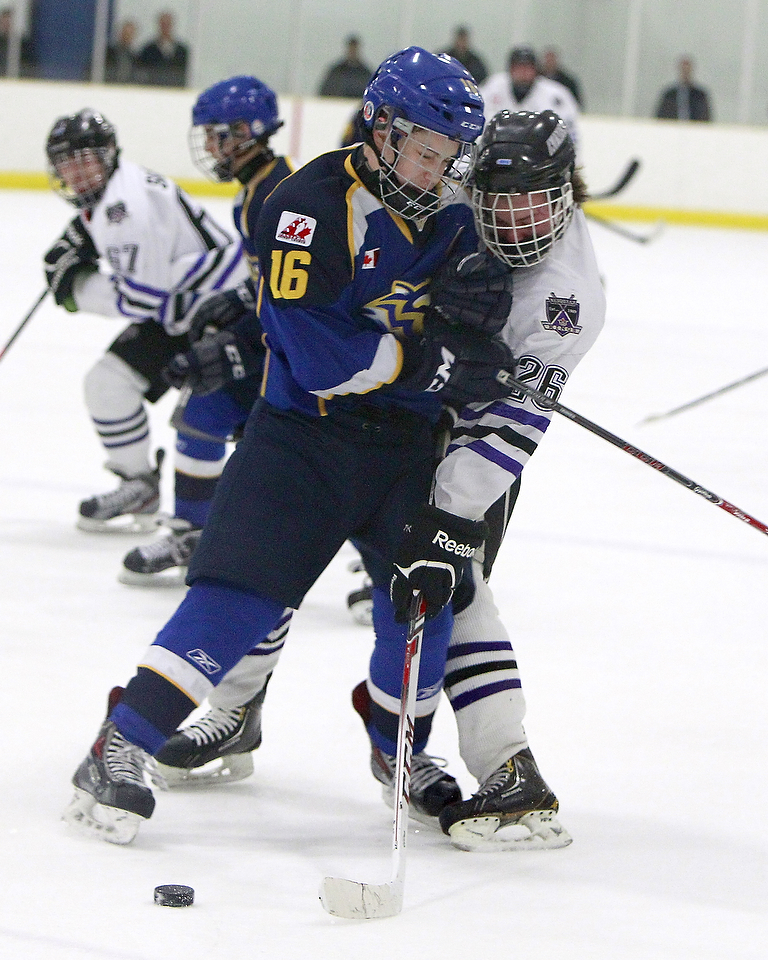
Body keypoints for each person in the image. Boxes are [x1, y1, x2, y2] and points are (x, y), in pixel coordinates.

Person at [61, 47, 521, 845]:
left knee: (421, 605)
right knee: (240, 598)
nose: (438, 167)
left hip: (407, 446)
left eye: (450, 154)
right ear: (379, 127)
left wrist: (481, 338)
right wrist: (432, 361)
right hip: (303, 441)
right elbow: (322, 360)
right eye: (424, 148)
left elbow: (472, 319)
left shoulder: (450, 210)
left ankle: (399, 755)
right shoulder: (305, 203)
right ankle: (121, 743)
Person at [151, 109, 606, 851]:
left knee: (453, 588)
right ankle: (236, 710)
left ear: (565, 193)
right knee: (276, 550)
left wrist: (453, 517)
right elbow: (350, 258)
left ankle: (506, 768)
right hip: (377, 401)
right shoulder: (455, 176)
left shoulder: (568, 297)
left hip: (462, 437)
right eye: (499, 197)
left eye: (533, 200)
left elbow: (511, 423)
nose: (513, 218)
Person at [118, 75, 292, 586]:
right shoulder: (260, 189)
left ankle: (385, 557)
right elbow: (276, 285)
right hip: (283, 340)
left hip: (300, 353)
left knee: (298, 454)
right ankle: (193, 532)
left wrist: (236, 346)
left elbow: (301, 301)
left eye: (217, 135)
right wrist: (240, 299)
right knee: (203, 410)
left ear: (245, 132)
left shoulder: (272, 197)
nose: (210, 147)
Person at [43, 109, 248, 534]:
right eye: (67, 163)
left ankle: (232, 523)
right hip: (185, 311)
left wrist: (77, 288)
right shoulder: (116, 192)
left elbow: (140, 298)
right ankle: (140, 484)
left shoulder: (123, 207)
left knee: (214, 420)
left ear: (108, 155)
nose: (76, 173)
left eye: (84, 160)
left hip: (229, 313)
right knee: (108, 384)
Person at [481, 46, 581, 157]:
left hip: (539, 161)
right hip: (494, 158)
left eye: (528, 68)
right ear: (510, 69)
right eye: (518, 67)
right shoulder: (492, 87)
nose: (523, 72)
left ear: (536, 70)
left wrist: (573, 163)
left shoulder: (556, 95)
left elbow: (569, 133)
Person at [136, 10, 188, 87]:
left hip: (175, 90)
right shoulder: (148, 49)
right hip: (153, 88)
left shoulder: (182, 51)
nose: (165, 27)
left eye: (168, 24)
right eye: (163, 24)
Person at [655, 55, 712, 121]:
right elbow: (661, 116)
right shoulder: (669, 94)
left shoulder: (700, 95)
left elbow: (705, 117)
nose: (685, 74)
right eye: (683, 70)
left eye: (687, 71)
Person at [105, 20, 139, 85]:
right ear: (120, 33)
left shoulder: (135, 57)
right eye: (125, 33)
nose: (127, 37)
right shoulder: (108, 53)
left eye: (130, 34)